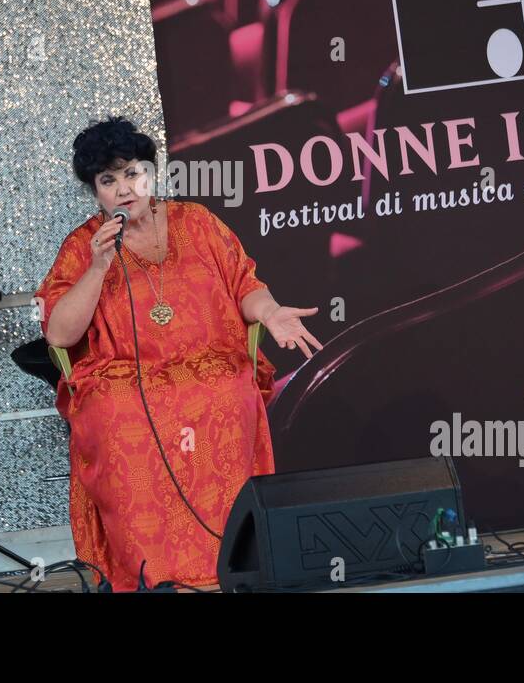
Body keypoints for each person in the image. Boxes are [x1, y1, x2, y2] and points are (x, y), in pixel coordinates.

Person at [37, 117, 321, 589]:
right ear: (96, 192)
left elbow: (244, 284)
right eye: (108, 181)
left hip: (209, 362)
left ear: (150, 174)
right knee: (114, 412)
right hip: (125, 376)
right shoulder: (83, 246)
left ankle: (233, 558)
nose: (124, 189)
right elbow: (60, 335)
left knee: (230, 389)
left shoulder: (199, 222)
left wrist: (269, 312)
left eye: (132, 173)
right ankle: (151, 573)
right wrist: (98, 267)